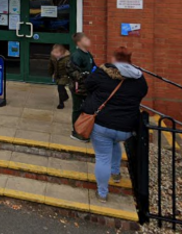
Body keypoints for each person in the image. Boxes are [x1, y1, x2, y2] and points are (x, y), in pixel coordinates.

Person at [83, 46, 148, 202]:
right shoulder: (139, 77)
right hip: (126, 127)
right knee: (115, 144)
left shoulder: (103, 73)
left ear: (114, 58)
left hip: (102, 124)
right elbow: (143, 93)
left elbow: (87, 85)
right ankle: (116, 173)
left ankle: (102, 193)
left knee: (103, 157)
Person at [67, 32, 96, 141]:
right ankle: (76, 132)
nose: (88, 40)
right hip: (79, 87)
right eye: (85, 39)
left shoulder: (88, 54)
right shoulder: (77, 55)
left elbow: (93, 67)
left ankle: (84, 128)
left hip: (88, 86)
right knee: (78, 108)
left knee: (87, 108)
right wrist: (83, 79)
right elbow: (72, 71)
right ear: (79, 43)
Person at [48, 44, 72, 109]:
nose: (54, 54)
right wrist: (51, 73)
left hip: (65, 75)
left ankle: (61, 103)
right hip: (57, 74)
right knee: (61, 88)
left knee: (60, 88)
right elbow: (51, 66)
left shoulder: (67, 59)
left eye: (57, 52)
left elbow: (70, 68)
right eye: (53, 52)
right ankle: (66, 96)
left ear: (61, 53)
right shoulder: (53, 57)